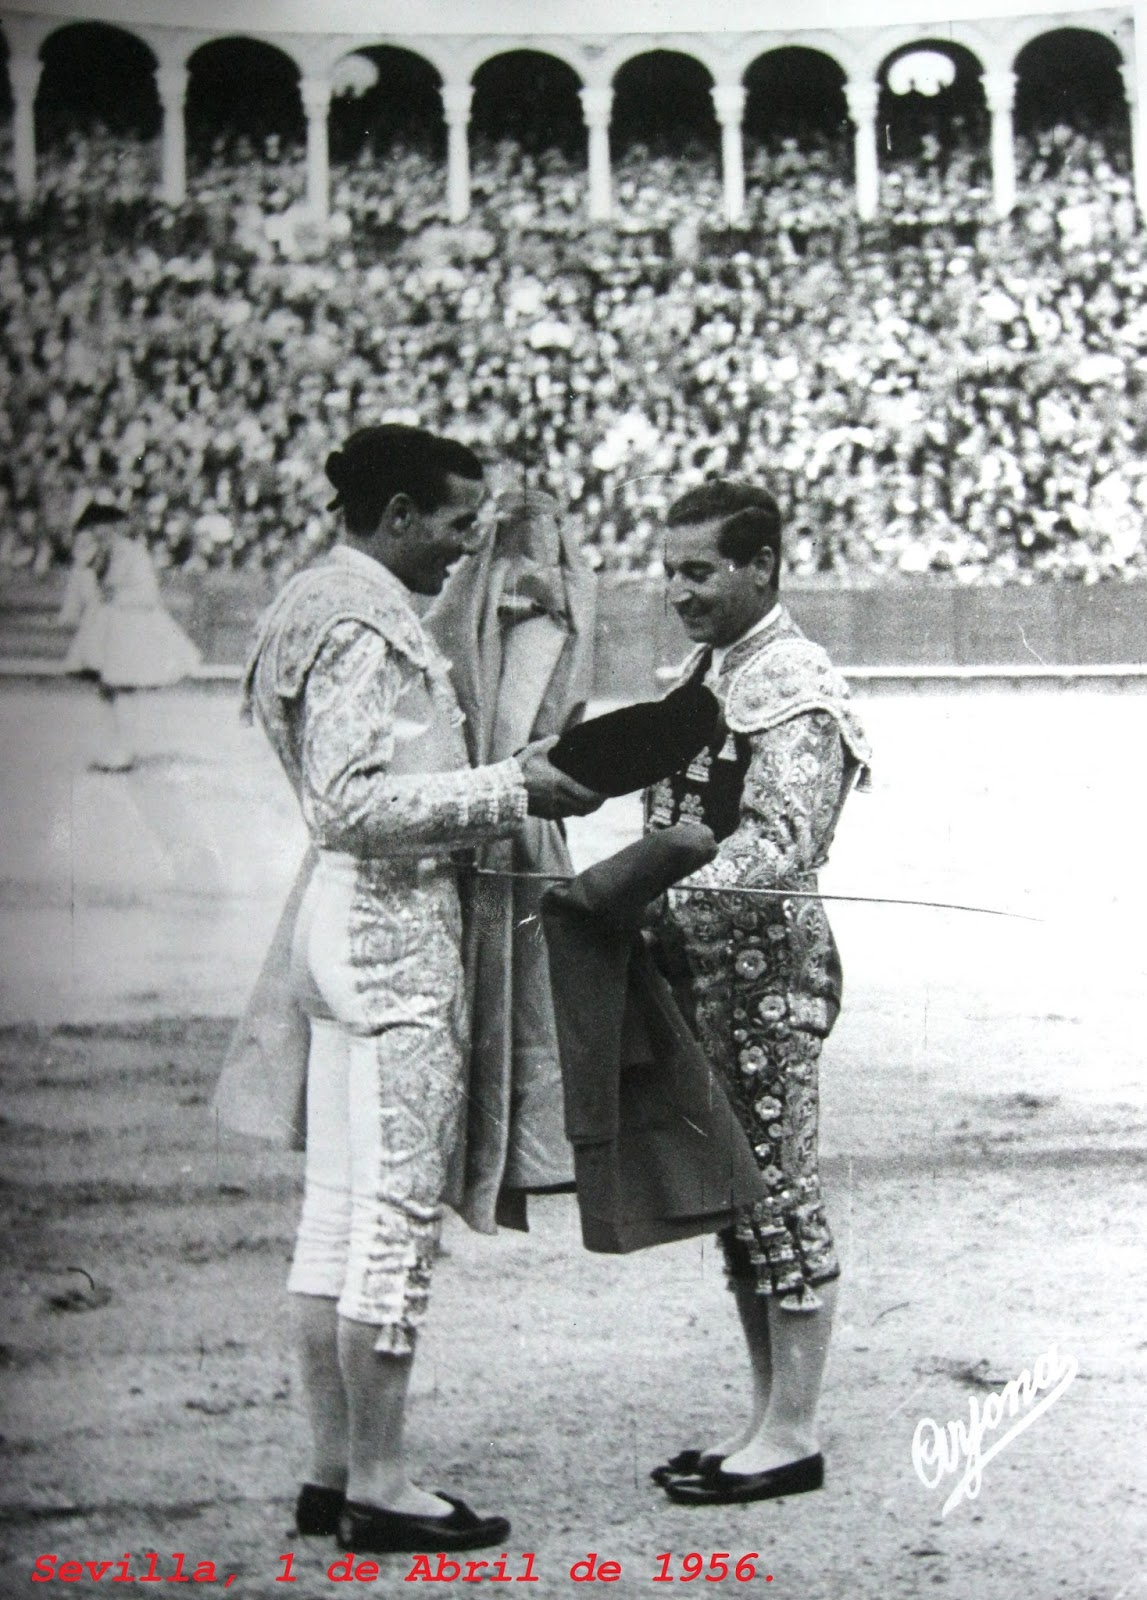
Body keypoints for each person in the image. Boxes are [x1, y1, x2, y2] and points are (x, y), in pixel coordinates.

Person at [237, 424, 600, 1555]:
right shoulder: (362, 621)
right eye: (452, 522)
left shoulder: (315, 599)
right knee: (390, 1217)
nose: (463, 544)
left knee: (337, 1211)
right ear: (396, 514)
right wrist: (510, 787)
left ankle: (332, 1468)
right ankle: (382, 1484)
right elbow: (350, 803)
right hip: (389, 936)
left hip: (336, 923)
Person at [642, 479, 871, 1506]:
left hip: (765, 971)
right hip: (699, 969)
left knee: (777, 1187)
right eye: (670, 571)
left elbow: (781, 842)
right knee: (742, 1196)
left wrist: (646, 896)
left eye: (698, 570)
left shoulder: (794, 680)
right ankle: (764, 1420)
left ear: (760, 565)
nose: (677, 590)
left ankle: (792, 1430)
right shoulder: (715, 667)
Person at [425, 486, 596, 1233]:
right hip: (509, 821)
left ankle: (494, 1149)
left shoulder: (456, 618)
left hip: (486, 821)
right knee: (526, 991)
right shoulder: (553, 616)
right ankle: (529, 1149)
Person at [60, 501, 201, 772]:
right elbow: (87, 592)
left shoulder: (134, 553)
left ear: (114, 527)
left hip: (130, 630)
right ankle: (111, 750)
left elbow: (148, 595)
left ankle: (122, 752)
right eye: (94, 527)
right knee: (106, 691)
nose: (98, 532)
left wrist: (115, 597)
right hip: (107, 631)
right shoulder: (96, 555)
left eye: (102, 526)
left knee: (122, 690)